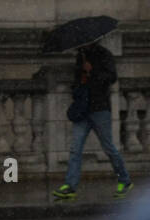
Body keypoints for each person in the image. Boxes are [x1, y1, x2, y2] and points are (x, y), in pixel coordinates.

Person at [53, 43, 132, 201]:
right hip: (83, 109)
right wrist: (80, 82)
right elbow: (78, 81)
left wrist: (92, 71)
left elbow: (111, 77)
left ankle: (124, 180)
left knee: (109, 148)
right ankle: (70, 186)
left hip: (99, 108)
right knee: (75, 149)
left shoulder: (104, 54)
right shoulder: (81, 56)